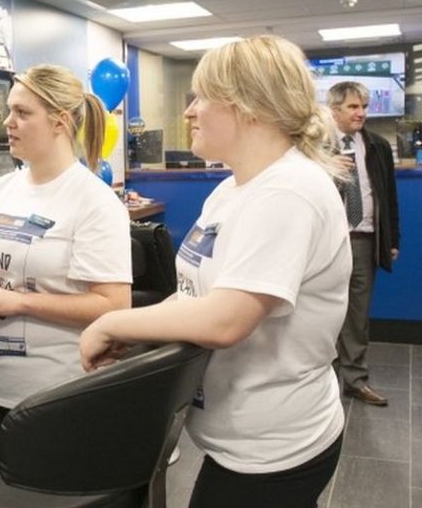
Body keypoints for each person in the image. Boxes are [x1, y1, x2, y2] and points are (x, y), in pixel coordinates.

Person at [80, 36, 351, 508]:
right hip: (236, 438)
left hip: (274, 448)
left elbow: (226, 320)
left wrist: (111, 321)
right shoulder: (233, 189)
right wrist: (143, 331)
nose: (189, 111)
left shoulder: (288, 192)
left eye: (202, 97)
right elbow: (193, 293)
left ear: (249, 107)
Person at [0, 64, 132, 450]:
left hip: (54, 397)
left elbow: (113, 304)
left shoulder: (94, 201)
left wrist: (17, 301)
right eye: (9, 111)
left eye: (22, 113)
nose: (8, 122)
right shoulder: (3, 187)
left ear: (60, 122)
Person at [328, 81, 400, 407]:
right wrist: (325, 169)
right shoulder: (315, 147)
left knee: (357, 315)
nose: (361, 113)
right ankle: (324, 380)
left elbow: (388, 197)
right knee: (324, 311)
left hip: (364, 239)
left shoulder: (377, 146)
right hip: (328, 243)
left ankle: (355, 380)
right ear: (334, 110)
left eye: (364, 107)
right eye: (353, 107)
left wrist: (392, 240)